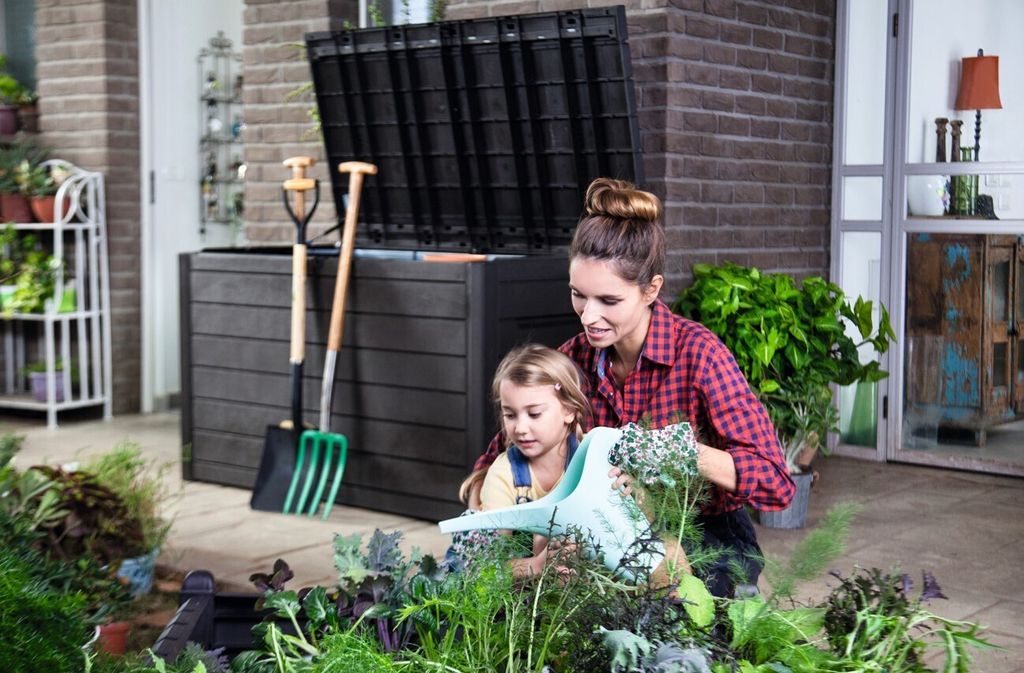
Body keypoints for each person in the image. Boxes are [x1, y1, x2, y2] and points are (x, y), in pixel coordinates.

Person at [474, 178, 795, 597]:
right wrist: (482, 506)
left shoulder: (698, 355)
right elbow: (505, 450)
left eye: (608, 301)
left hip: (703, 534)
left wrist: (684, 453)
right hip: (606, 529)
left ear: (651, 290)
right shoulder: (572, 361)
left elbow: (776, 481)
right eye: (578, 295)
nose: (588, 316)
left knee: (676, 623)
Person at [456, 343, 592, 578]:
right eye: (510, 414)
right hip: (522, 589)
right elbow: (487, 568)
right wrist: (536, 565)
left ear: (569, 410)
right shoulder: (503, 476)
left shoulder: (591, 456)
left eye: (534, 414)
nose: (520, 428)